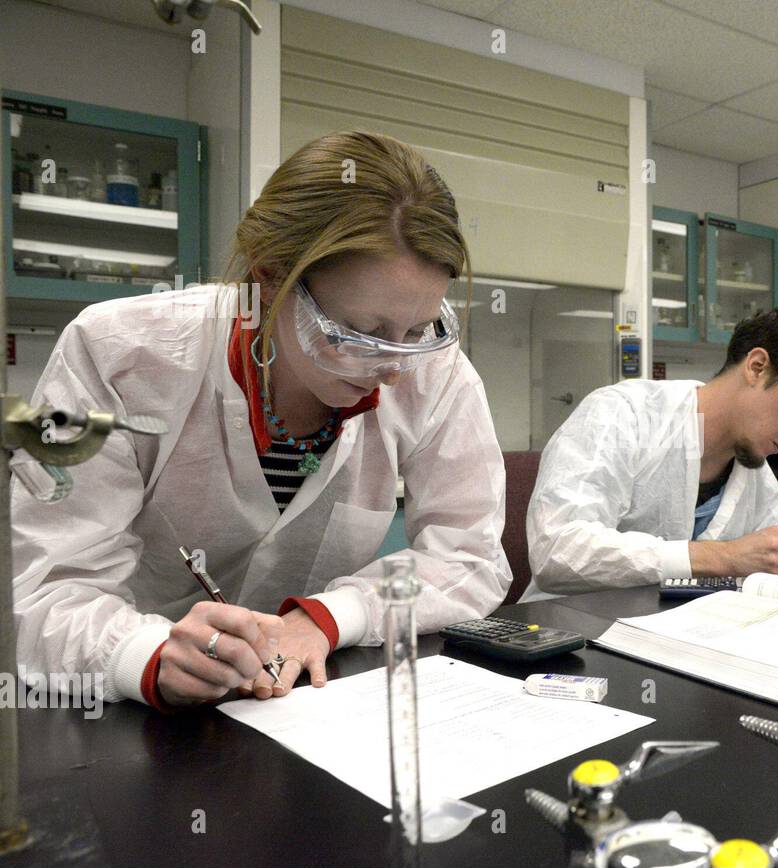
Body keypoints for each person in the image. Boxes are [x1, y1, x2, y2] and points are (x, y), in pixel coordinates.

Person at [12, 131, 511, 711]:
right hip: (132, 718)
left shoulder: (432, 372)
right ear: (269, 277)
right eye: (358, 334)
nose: (395, 371)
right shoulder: (118, 352)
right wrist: (144, 653)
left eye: (417, 332)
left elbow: (469, 556)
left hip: (306, 704)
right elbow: (45, 587)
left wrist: (330, 617)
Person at [523, 306, 778, 600]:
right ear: (757, 367)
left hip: (676, 644)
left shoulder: (762, 486)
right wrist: (723, 557)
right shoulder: (623, 415)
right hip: (567, 637)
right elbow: (557, 551)